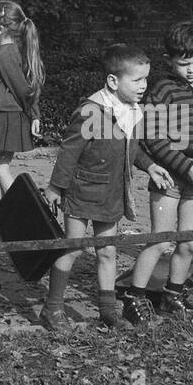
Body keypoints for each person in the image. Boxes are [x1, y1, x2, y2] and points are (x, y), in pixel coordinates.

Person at [42, 45, 173, 331]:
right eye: (136, 80)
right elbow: (68, 151)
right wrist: (55, 187)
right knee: (73, 247)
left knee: (107, 251)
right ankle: (52, 308)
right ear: (113, 82)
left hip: (113, 193)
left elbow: (132, 148)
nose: (143, 86)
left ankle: (108, 311)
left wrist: (149, 166)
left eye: (145, 79)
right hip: (83, 190)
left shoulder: (134, 111)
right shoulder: (91, 111)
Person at [122, 22, 193, 323]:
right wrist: (185, 165)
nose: (191, 69)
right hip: (169, 180)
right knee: (160, 239)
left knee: (189, 243)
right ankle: (135, 297)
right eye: (184, 64)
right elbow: (153, 138)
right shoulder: (162, 91)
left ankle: (173, 294)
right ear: (169, 60)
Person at [0, 1, 44, 203]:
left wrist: (34, 115)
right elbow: (24, 89)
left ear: (1, 28)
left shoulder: (5, 55)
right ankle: (23, 213)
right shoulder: (13, 52)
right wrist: (34, 114)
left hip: (4, 118)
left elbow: (22, 89)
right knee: (0, 167)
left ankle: (7, 210)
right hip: (7, 117)